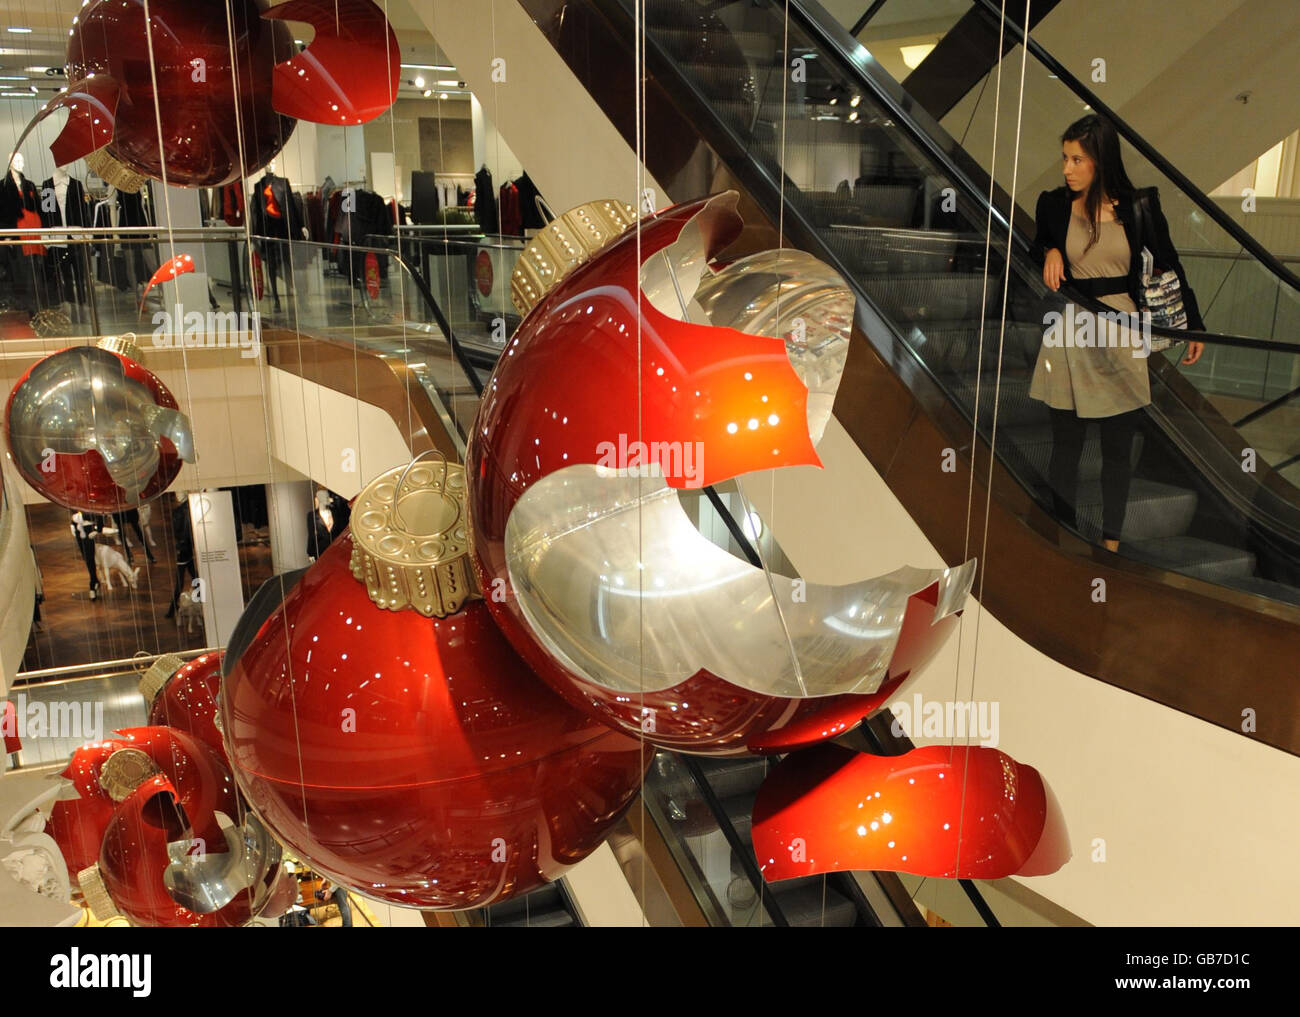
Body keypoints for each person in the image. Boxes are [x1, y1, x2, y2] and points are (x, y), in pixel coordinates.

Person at [1028, 114, 1204, 553]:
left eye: (1077, 159)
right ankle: (1062, 530)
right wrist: (1049, 248)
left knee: (1117, 449)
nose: (1067, 168)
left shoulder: (1138, 206)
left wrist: (1193, 323)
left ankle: (1112, 542)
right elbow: (1037, 243)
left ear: (1101, 160)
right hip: (1070, 329)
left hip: (1122, 330)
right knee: (1066, 446)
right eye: (1065, 158)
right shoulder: (1052, 204)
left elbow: (1169, 262)